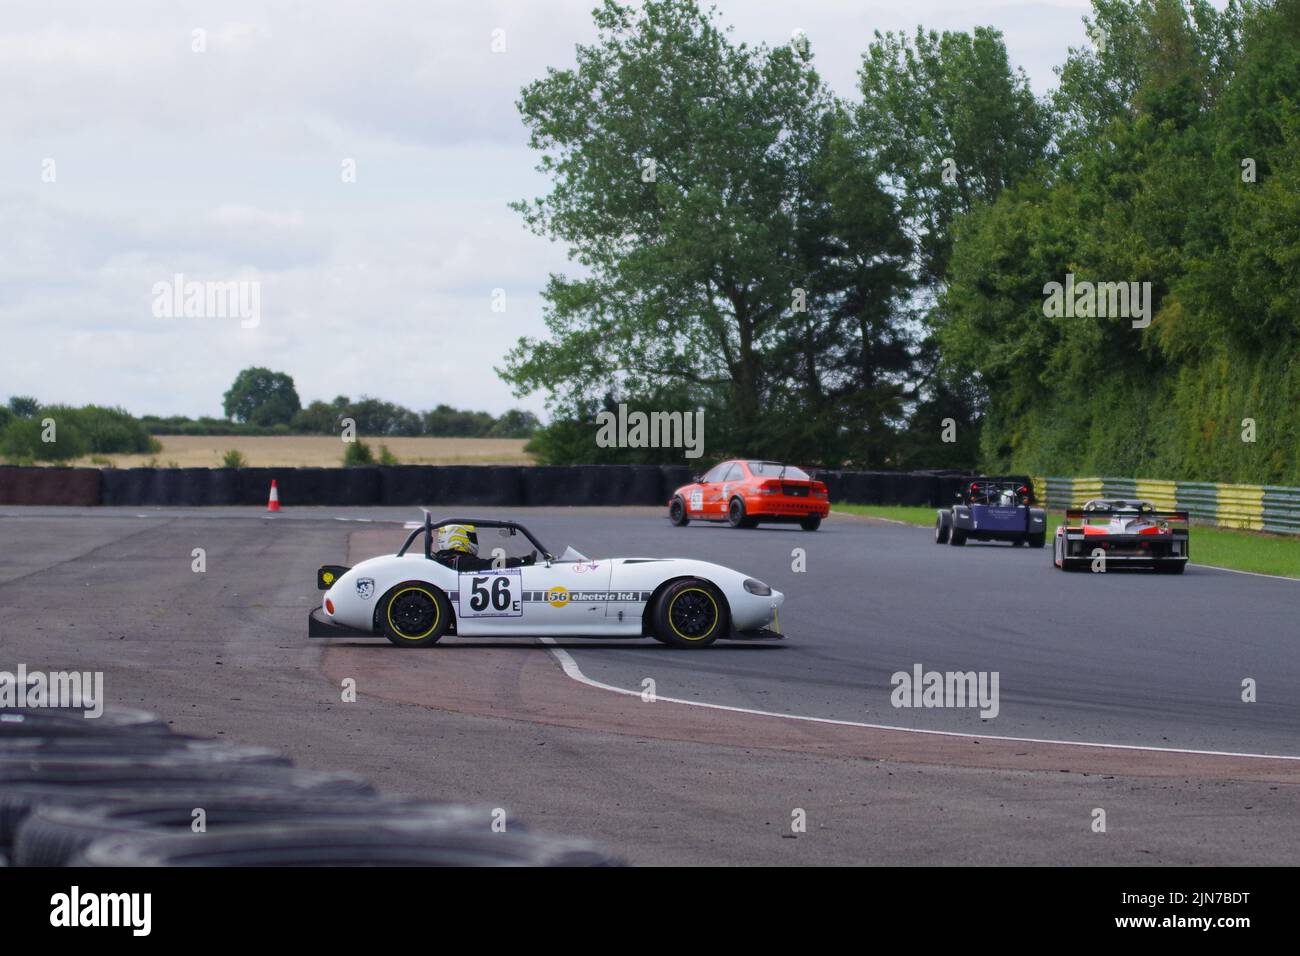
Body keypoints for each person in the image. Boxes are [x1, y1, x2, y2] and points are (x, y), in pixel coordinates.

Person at [431, 524, 535, 572]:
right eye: (471, 536)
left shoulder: (440, 558)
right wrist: (521, 561)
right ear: (459, 537)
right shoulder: (462, 561)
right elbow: (492, 565)